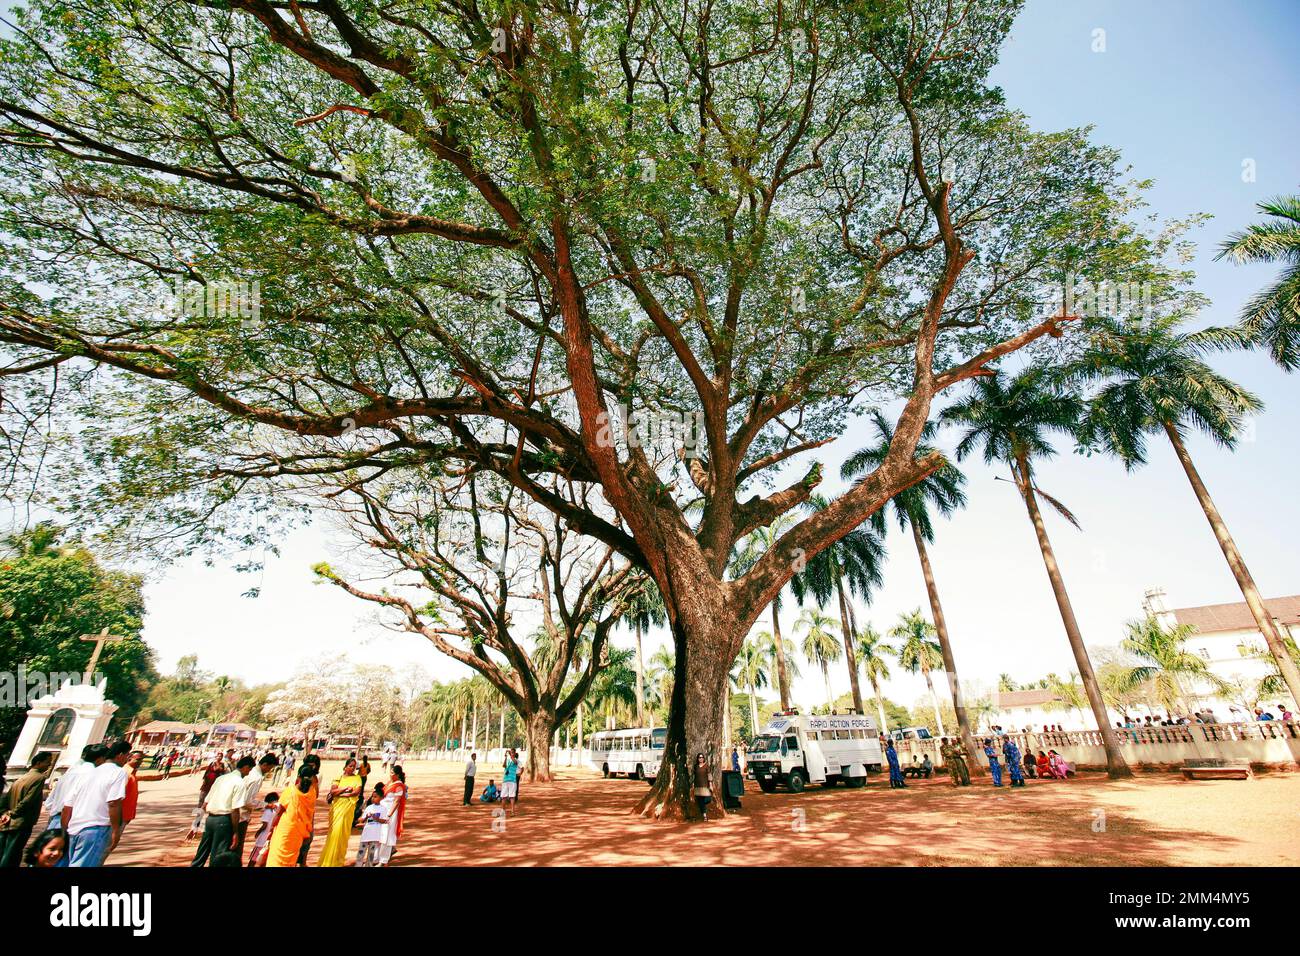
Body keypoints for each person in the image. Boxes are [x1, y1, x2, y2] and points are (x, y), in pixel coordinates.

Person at [63, 739, 131, 867]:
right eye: (127, 755)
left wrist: (64, 829)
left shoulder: (89, 773)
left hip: (74, 828)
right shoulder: (118, 773)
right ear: (120, 755)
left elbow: (68, 805)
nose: (127, 759)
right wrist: (116, 831)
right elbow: (113, 803)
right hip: (96, 829)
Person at [191, 755, 254, 867]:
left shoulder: (221, 779)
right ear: (245, 767)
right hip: (224, 821)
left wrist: (195, 824)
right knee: (218, 856)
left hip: (210, 820)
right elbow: (235, 809)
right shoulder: (240, 783)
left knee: (201, 853)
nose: (248, 773)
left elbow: (205, 802)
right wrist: (235, 832)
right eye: (249, 769)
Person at [0, 750, 55, 867]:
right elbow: (28, 801)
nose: (49, 765)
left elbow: (5, 799)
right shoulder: (39, 778)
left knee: (5, 852)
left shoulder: (21, 778)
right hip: (21, 822)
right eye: (47, 762)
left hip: (9, 821)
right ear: (38, 763)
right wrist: (12, 813)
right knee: (11, 854)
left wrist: (5, 813)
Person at [266, 767, 316, 867]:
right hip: (299, 831)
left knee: (277, 858)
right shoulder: (312, 793)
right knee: (290, 859)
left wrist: (271, 828)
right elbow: (310, 814)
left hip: (285, 830)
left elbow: (279, 812)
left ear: (298, 777)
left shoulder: (290, 791)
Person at [317, 757, 362, 867]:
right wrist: (346, 788)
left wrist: (340, 793)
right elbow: (333, 791)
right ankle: (327, 861)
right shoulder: (338, 777)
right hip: (337, 808)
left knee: (343, 835)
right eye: (350, 766)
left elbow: (356, 792)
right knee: (334, 833)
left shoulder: (357, 778)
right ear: (345, 767)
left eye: (354, 767)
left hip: (348, 809)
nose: (352, 769)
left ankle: (338, 861)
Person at [233, 752, 278, 860]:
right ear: (265, 764)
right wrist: (266, 805)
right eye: (270, 768)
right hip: (241, 816)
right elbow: (248, 801)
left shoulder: (250, 772)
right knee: (236, 847)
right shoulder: (257, 777)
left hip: (232, 812)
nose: (269, 771)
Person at [377, 765, 407, 866]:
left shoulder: (399, 786)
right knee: (380, 835)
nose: (390, 774)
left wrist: (389, 815)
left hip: (390, 813)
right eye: (390, 772)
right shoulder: (391, 783)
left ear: (397, 775)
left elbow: (396, 802)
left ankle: (383, 860)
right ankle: (376, 858)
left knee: (387, 835)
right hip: (383, 811)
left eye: (392, 773)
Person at [295, 754, 321, 866]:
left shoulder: (315, 778)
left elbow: (316, 795)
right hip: (298, 811)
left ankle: (303, 862)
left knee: (308, 838)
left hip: (309, 812)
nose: (310, 768)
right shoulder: (300, 777)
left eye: (312, 766)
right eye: (308, 765)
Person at [355, 785, 388, 867]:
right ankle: (358, 865)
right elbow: (360, 819)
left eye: (375, 797)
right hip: (366, 834)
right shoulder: (369, 807)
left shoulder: (383, 809)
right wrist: (366, 817)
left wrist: (376, 818)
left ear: (381, 798)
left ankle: (368, 865)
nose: (373, 798)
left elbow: (384, 821)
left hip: (375, 835)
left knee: (371, 854)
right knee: (361, 852)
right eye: (372, 797)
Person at [247, 792, 279, 867]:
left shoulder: (268, 811)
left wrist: (258, 832)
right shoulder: (278, 810)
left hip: (262, 840)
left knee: (253, 859)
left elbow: (265, 825)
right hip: (270, 839)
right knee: (264, 859)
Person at [121, 750, 144, 832]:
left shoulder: (133, 773)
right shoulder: (124, 773)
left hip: (125, 815)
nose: (140, 762)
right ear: (129, 758)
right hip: (119, 816)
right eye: (138, 759)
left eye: (141, 760)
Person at [353, 753, 372, 826]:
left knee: (360, 787)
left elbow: (359, 771)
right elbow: (369, 770)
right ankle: (361, 794)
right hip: (365, 777)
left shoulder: (361, 764)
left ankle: (360, 795)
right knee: (363, 786)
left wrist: (357, 776)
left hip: (361, 776)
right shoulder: (368, 764)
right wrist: (366, 773)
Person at [501, 750, 520, 816]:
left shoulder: (516, 760)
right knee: (503, 796)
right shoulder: (508, 760)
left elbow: (515, 762)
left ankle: (512, 812)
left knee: (512, 797)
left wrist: (511, 755)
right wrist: (506, 757)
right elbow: (504, 765)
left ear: (514, 753)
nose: (511, 753)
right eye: (511, 752)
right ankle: (503, 812)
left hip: (512, 780)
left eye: (512, 752)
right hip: (505, 780)